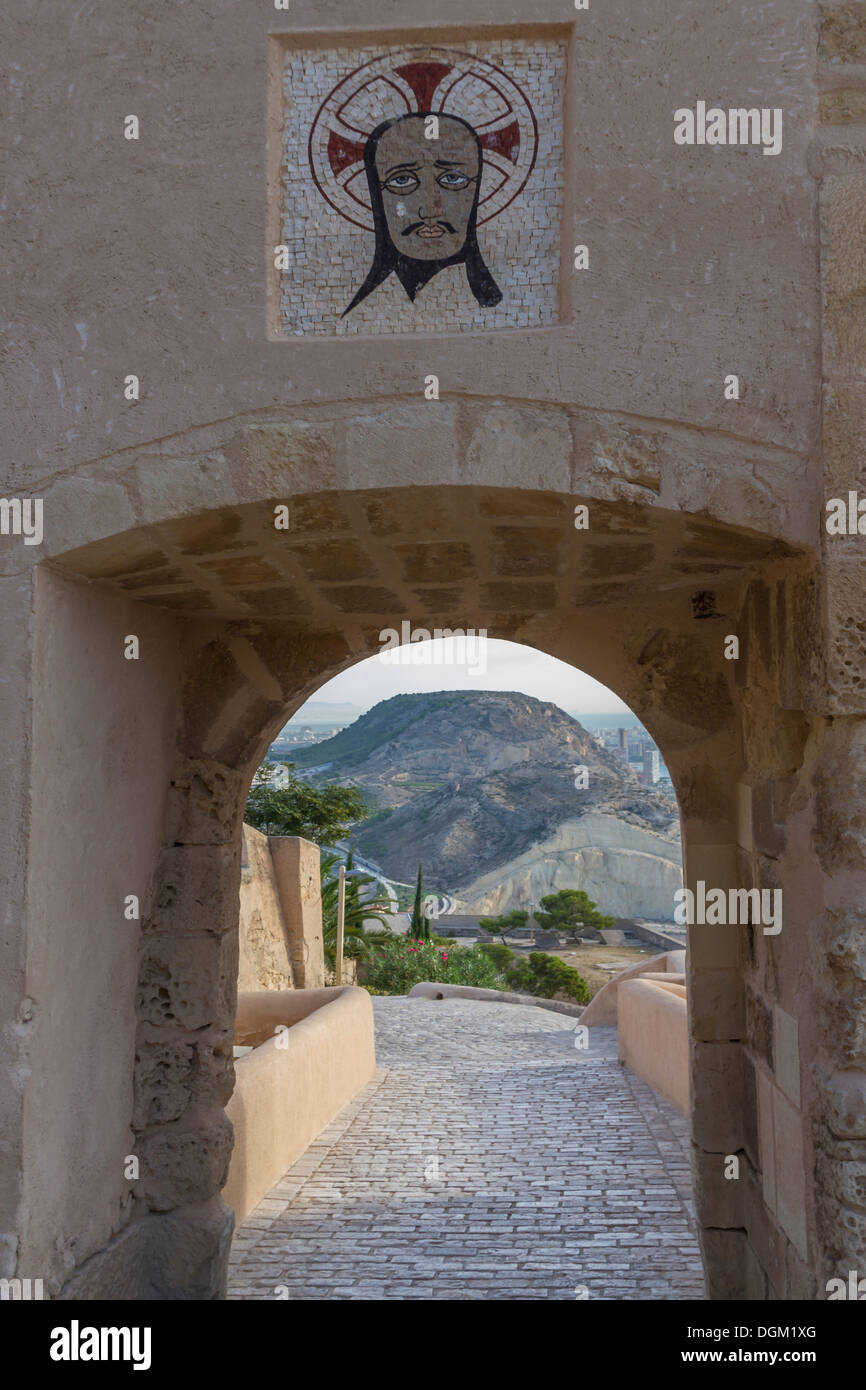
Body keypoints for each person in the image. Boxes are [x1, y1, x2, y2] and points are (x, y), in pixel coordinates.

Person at [343, 111, 502, 316]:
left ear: (476, 190)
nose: (430, 211)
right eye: (402, 180)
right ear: (376, 194)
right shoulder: (365, 310)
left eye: (452, 179)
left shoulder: (483, 306)